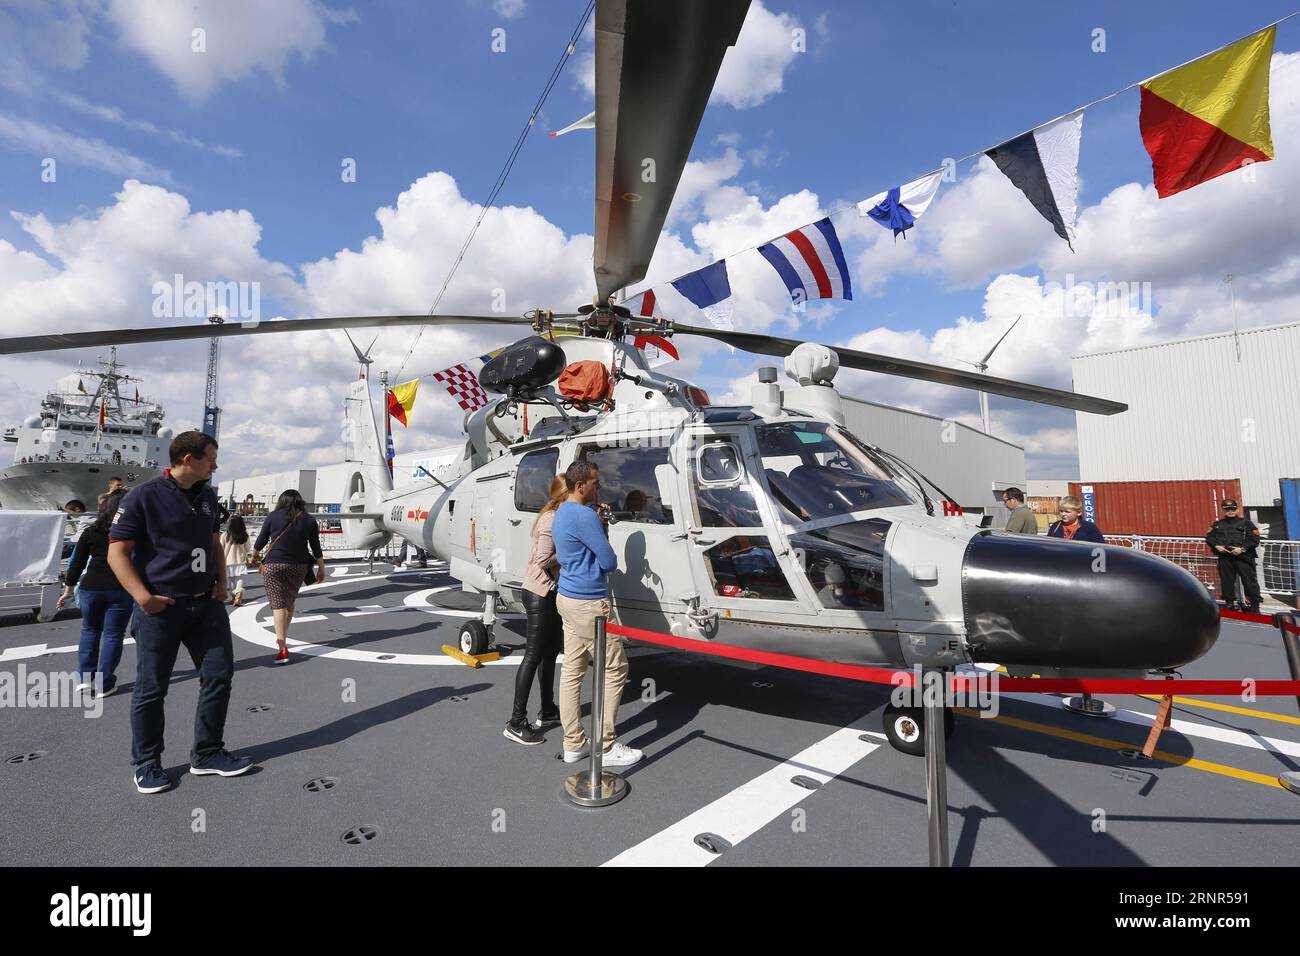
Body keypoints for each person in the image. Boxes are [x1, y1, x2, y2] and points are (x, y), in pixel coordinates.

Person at [107, 430, 252, 795]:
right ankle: (146, 763)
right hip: (162, 607)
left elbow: (213, 541)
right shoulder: (143, 497)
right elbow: (117, 553)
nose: (215, 465)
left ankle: (207, 753)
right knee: (152, 688)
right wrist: (143, 598)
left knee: (218, 677)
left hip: (205, 604)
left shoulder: (206, 497)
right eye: (211, 459)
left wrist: (221, 581)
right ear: (188, 459)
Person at [552, 460, 641, 768]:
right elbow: (608, 562)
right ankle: (605, 744)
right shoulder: (585, 515)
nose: (598, 488)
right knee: (614, 669)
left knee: (571, 672)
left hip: (567, 597)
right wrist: (601, 530)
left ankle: (573, 742)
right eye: (595, 483)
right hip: (590, 604)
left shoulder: (562, 511)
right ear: (581, 486)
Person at [505, 476, 566, 746]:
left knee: (549, 653)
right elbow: (542, 560)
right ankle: (516, 722)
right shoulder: (551, 520)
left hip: (548, 592)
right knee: (532, 655)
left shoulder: (555, 516)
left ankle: (548, 710)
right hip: (539, 592)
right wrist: (568, 553)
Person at [59, 489, 132, 696]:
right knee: (113, 636)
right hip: (120, 588)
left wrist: (68, 590)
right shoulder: (132, 531)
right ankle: (104, 682)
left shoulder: (90, 531)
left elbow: (76, 564)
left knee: (89, 631)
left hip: (91, 587)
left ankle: (84, 678)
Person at [252, 489, 325, 664]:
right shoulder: (309, 520)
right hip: (298, 566)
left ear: (282, 501)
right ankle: (283, 635)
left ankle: (282, 645)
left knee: (278, 605)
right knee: (289, 602)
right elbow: (315, 547)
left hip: (274, 564)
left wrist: (254, 555)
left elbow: (261, 539)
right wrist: (321, 568)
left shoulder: (273, 516)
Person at [1206, 499, 1263, 612]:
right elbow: (1209, 538)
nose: (1230, 511)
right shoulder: (1217, 525)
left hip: (1243, 557)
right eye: (1227, 509)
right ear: (1223, 510)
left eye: (1232, 508)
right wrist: (1216, 546)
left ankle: (1254, 606)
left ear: (1237, 509)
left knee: (1249, 581)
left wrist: (1242, 549)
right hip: (1225, 557)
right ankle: (1229, 604)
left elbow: (1254, 539)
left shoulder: (1247, 524)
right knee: (1226, 581)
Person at [221, 514, 252, 608]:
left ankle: (234, 596)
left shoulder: (225, 535)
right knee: (239, 579)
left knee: (230, 581)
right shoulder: (244, 535)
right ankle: (238, 593)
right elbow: (248, 548)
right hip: (240, 561)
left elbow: (220, 548)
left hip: (227, 562)